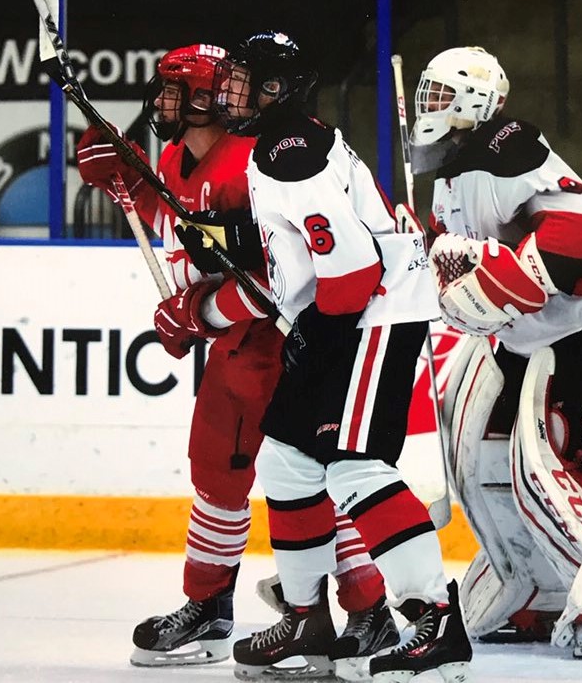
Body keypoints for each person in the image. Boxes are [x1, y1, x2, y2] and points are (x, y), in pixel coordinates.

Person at [76, 43, 396, 671]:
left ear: (206, 99)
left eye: (175, 91)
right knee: (216, 475)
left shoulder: (256, 162)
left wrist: (196, 311)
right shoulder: (174, 157)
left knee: (316, 484)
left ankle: (368, 609)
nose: (161, 102)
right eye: (163, 89)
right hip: (239, 349)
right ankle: (209, 608)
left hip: (300, 343)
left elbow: (282, 276)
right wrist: (129, 179)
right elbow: (183, 227)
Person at [213, 30, 477, 683]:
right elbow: (305, 233)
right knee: (286, 459)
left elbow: (355, 269)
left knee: (354, 468)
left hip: (370, 315)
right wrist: (232, 236)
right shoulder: (283, 146)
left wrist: (317, 339)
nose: (231, 89)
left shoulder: (289, 151)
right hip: (351, 312)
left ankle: (436, 624)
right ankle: (307, 622)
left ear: (278, 89)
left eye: (246, 78)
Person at [410, 46, 582, 658]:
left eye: (440, 95)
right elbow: (451, 257)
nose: (428, 108)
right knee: (489, 458)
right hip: (530, 333)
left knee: (573, 455)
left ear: (475, 103)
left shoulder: (510, 146)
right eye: (426, 95)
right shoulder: (449, 176)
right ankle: (539, 591)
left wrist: (506, 281)